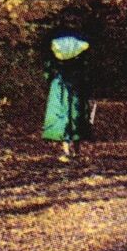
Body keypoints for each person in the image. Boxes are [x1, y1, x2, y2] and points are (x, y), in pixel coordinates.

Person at [41, 20, 93, 161]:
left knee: (61, 115)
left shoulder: (55, 45)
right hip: (77, 85)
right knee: (76, 115)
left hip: (59, 86)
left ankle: (66, 151)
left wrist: (50, 78)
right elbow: (87, 69)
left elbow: (48, 70)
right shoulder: (81, 46)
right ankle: (77, 150)